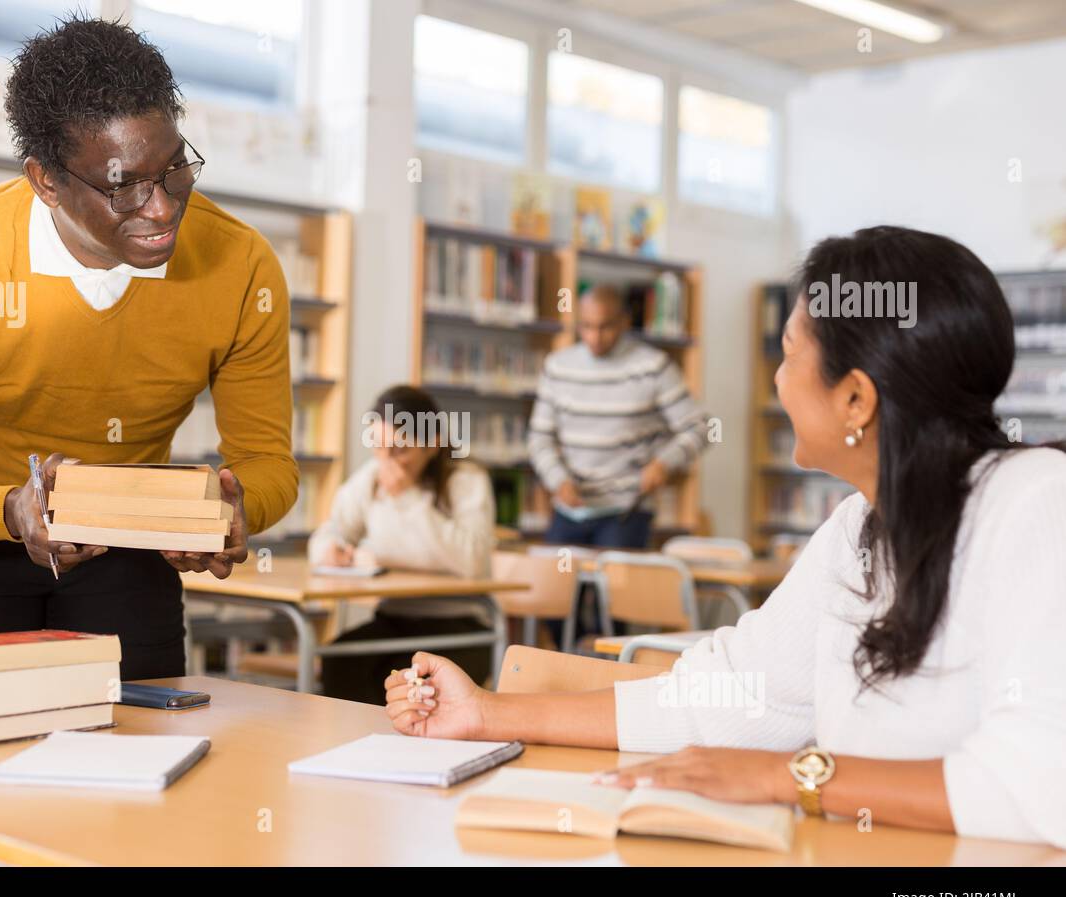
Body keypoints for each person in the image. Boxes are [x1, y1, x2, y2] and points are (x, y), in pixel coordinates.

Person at [384, 226, 1066, 849]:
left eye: (790, 354)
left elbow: (1034, 786)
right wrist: (486, 712)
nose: (776, 377)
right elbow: (725, 700)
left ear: (856, 399)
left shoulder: (1036, 501)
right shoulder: (856, 529)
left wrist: (789, 777)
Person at [0, 16, 298, 681]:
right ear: (46, 181)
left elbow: (268, 465)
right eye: (123, 185)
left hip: (131, 543)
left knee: (138, 756)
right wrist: (12, 511)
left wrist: (233, 508)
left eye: (175, 168)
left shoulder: (241, 265)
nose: (161, 208)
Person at [308, 386, 495, 704]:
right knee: (339, 661)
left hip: (461, 624)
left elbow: (472, 560)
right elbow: (330, 532)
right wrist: (331, 550)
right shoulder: (372, 478)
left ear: (432, 444)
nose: (386, 461)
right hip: (395, 618)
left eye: (399, 450)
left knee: (403, 683)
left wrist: (409, 497)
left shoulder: (466, 481)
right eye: (379, 448)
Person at [528, 284, 709, 550]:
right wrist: (557, 480)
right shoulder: (558, 367)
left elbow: (703, 427)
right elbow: (539, 438)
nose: (595, 337)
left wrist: (664, 463)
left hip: (626, 513)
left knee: (614, 590)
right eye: (586, 326)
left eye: (605, 327)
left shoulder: (653, 367)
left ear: (625, 322)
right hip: (569, 511)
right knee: (555, 587)